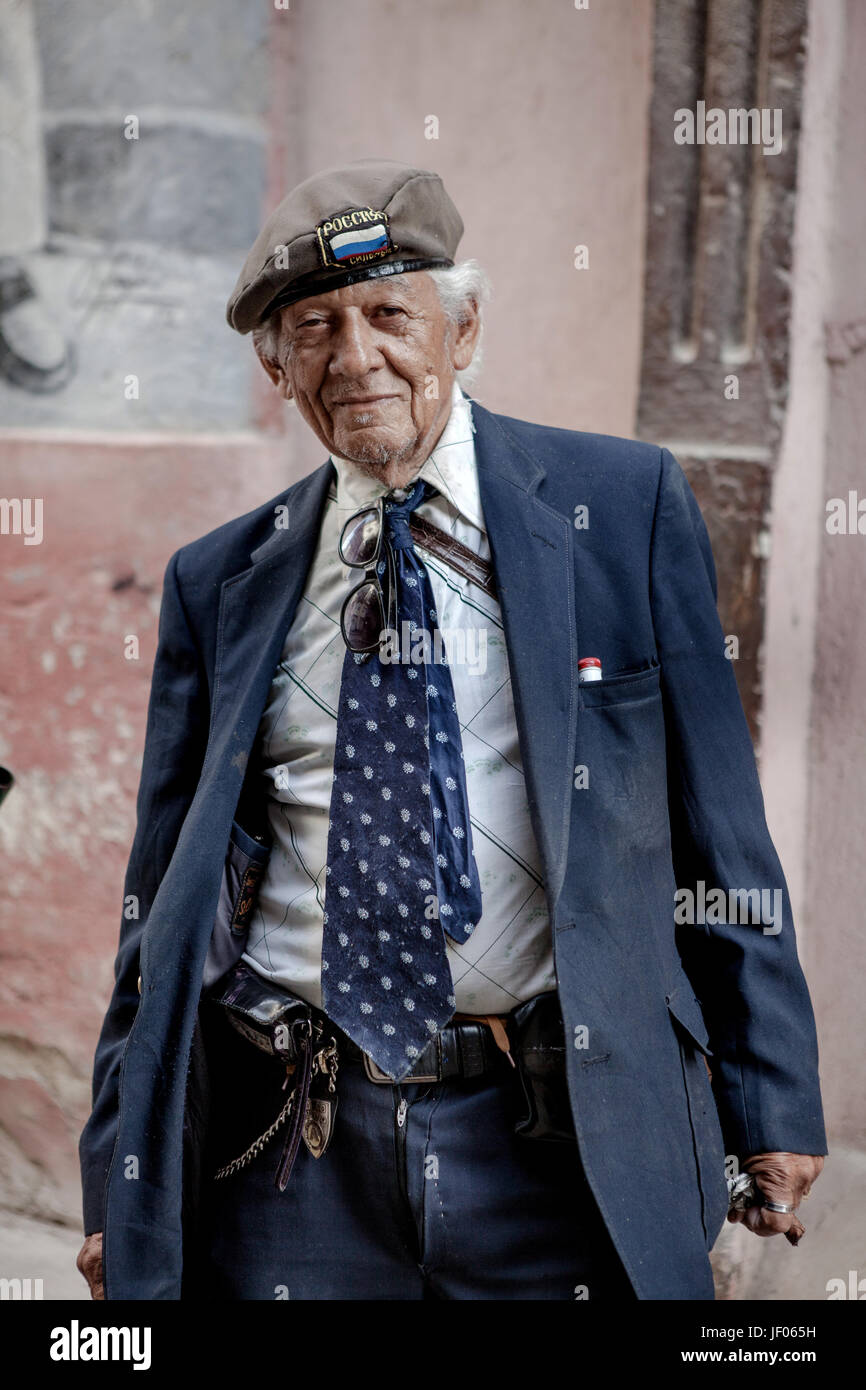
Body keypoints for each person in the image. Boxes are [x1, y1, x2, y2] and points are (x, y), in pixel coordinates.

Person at [77, 158, 825, 1302]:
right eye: (314, 327)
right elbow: (163, 899)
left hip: (561, 1137)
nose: (355, 355)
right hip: (291, 1146)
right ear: (277, 370)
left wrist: (770, 1096)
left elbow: (721, 828)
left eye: (390, 315)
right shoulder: (217, 580)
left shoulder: (619, 509)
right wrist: (117, 1175)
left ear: (462, 331)